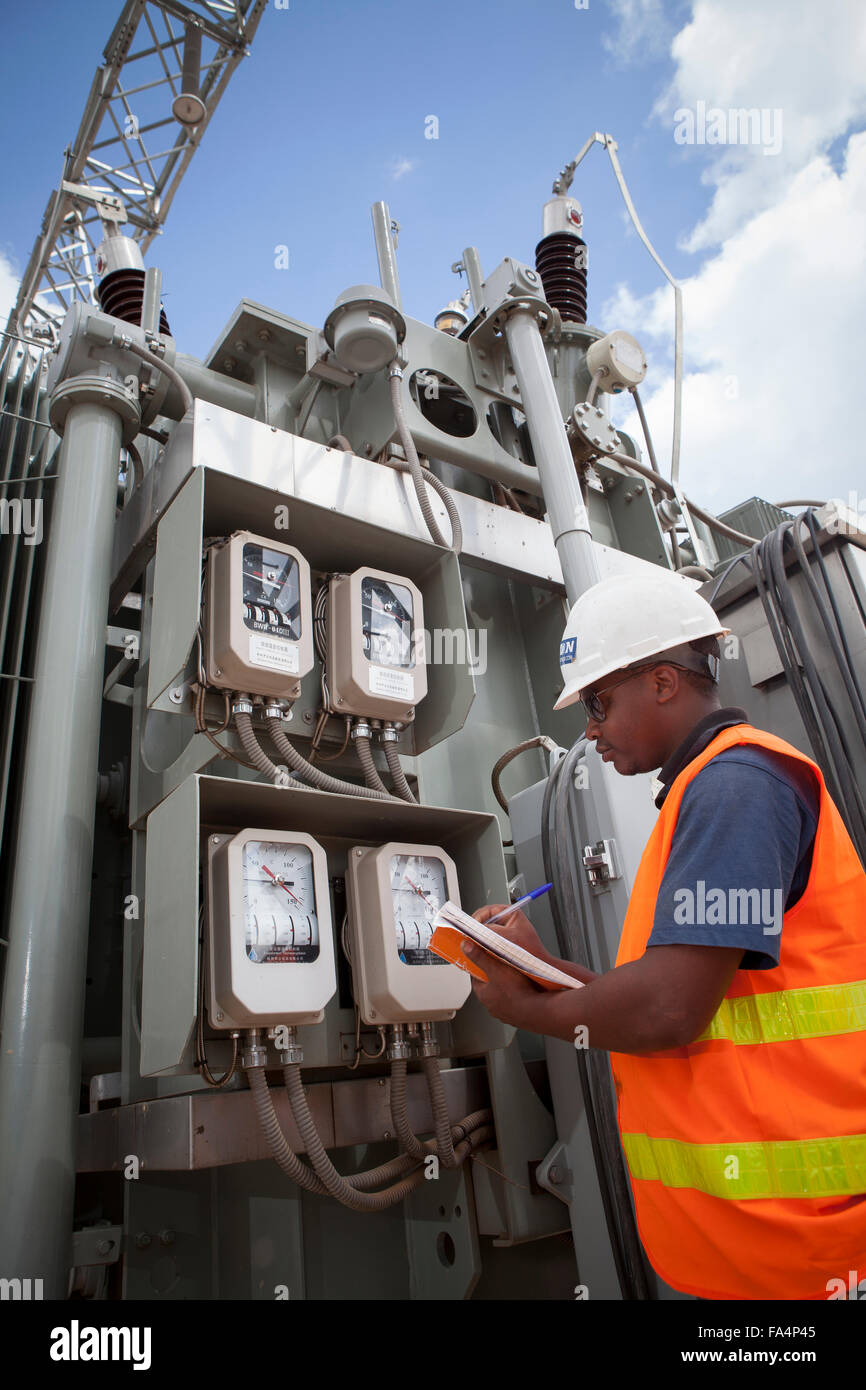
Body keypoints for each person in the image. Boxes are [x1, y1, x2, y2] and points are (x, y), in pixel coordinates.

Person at [468, 570, 866, 1301]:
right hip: (748, 1251)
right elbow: (670, 991)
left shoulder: (739, 785)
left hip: (800, 1259)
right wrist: (538, 963)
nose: (588, 729)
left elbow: (667, 1011)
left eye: (597, 702)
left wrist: (526, 1010)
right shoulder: (708, 789)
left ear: (661, 683)